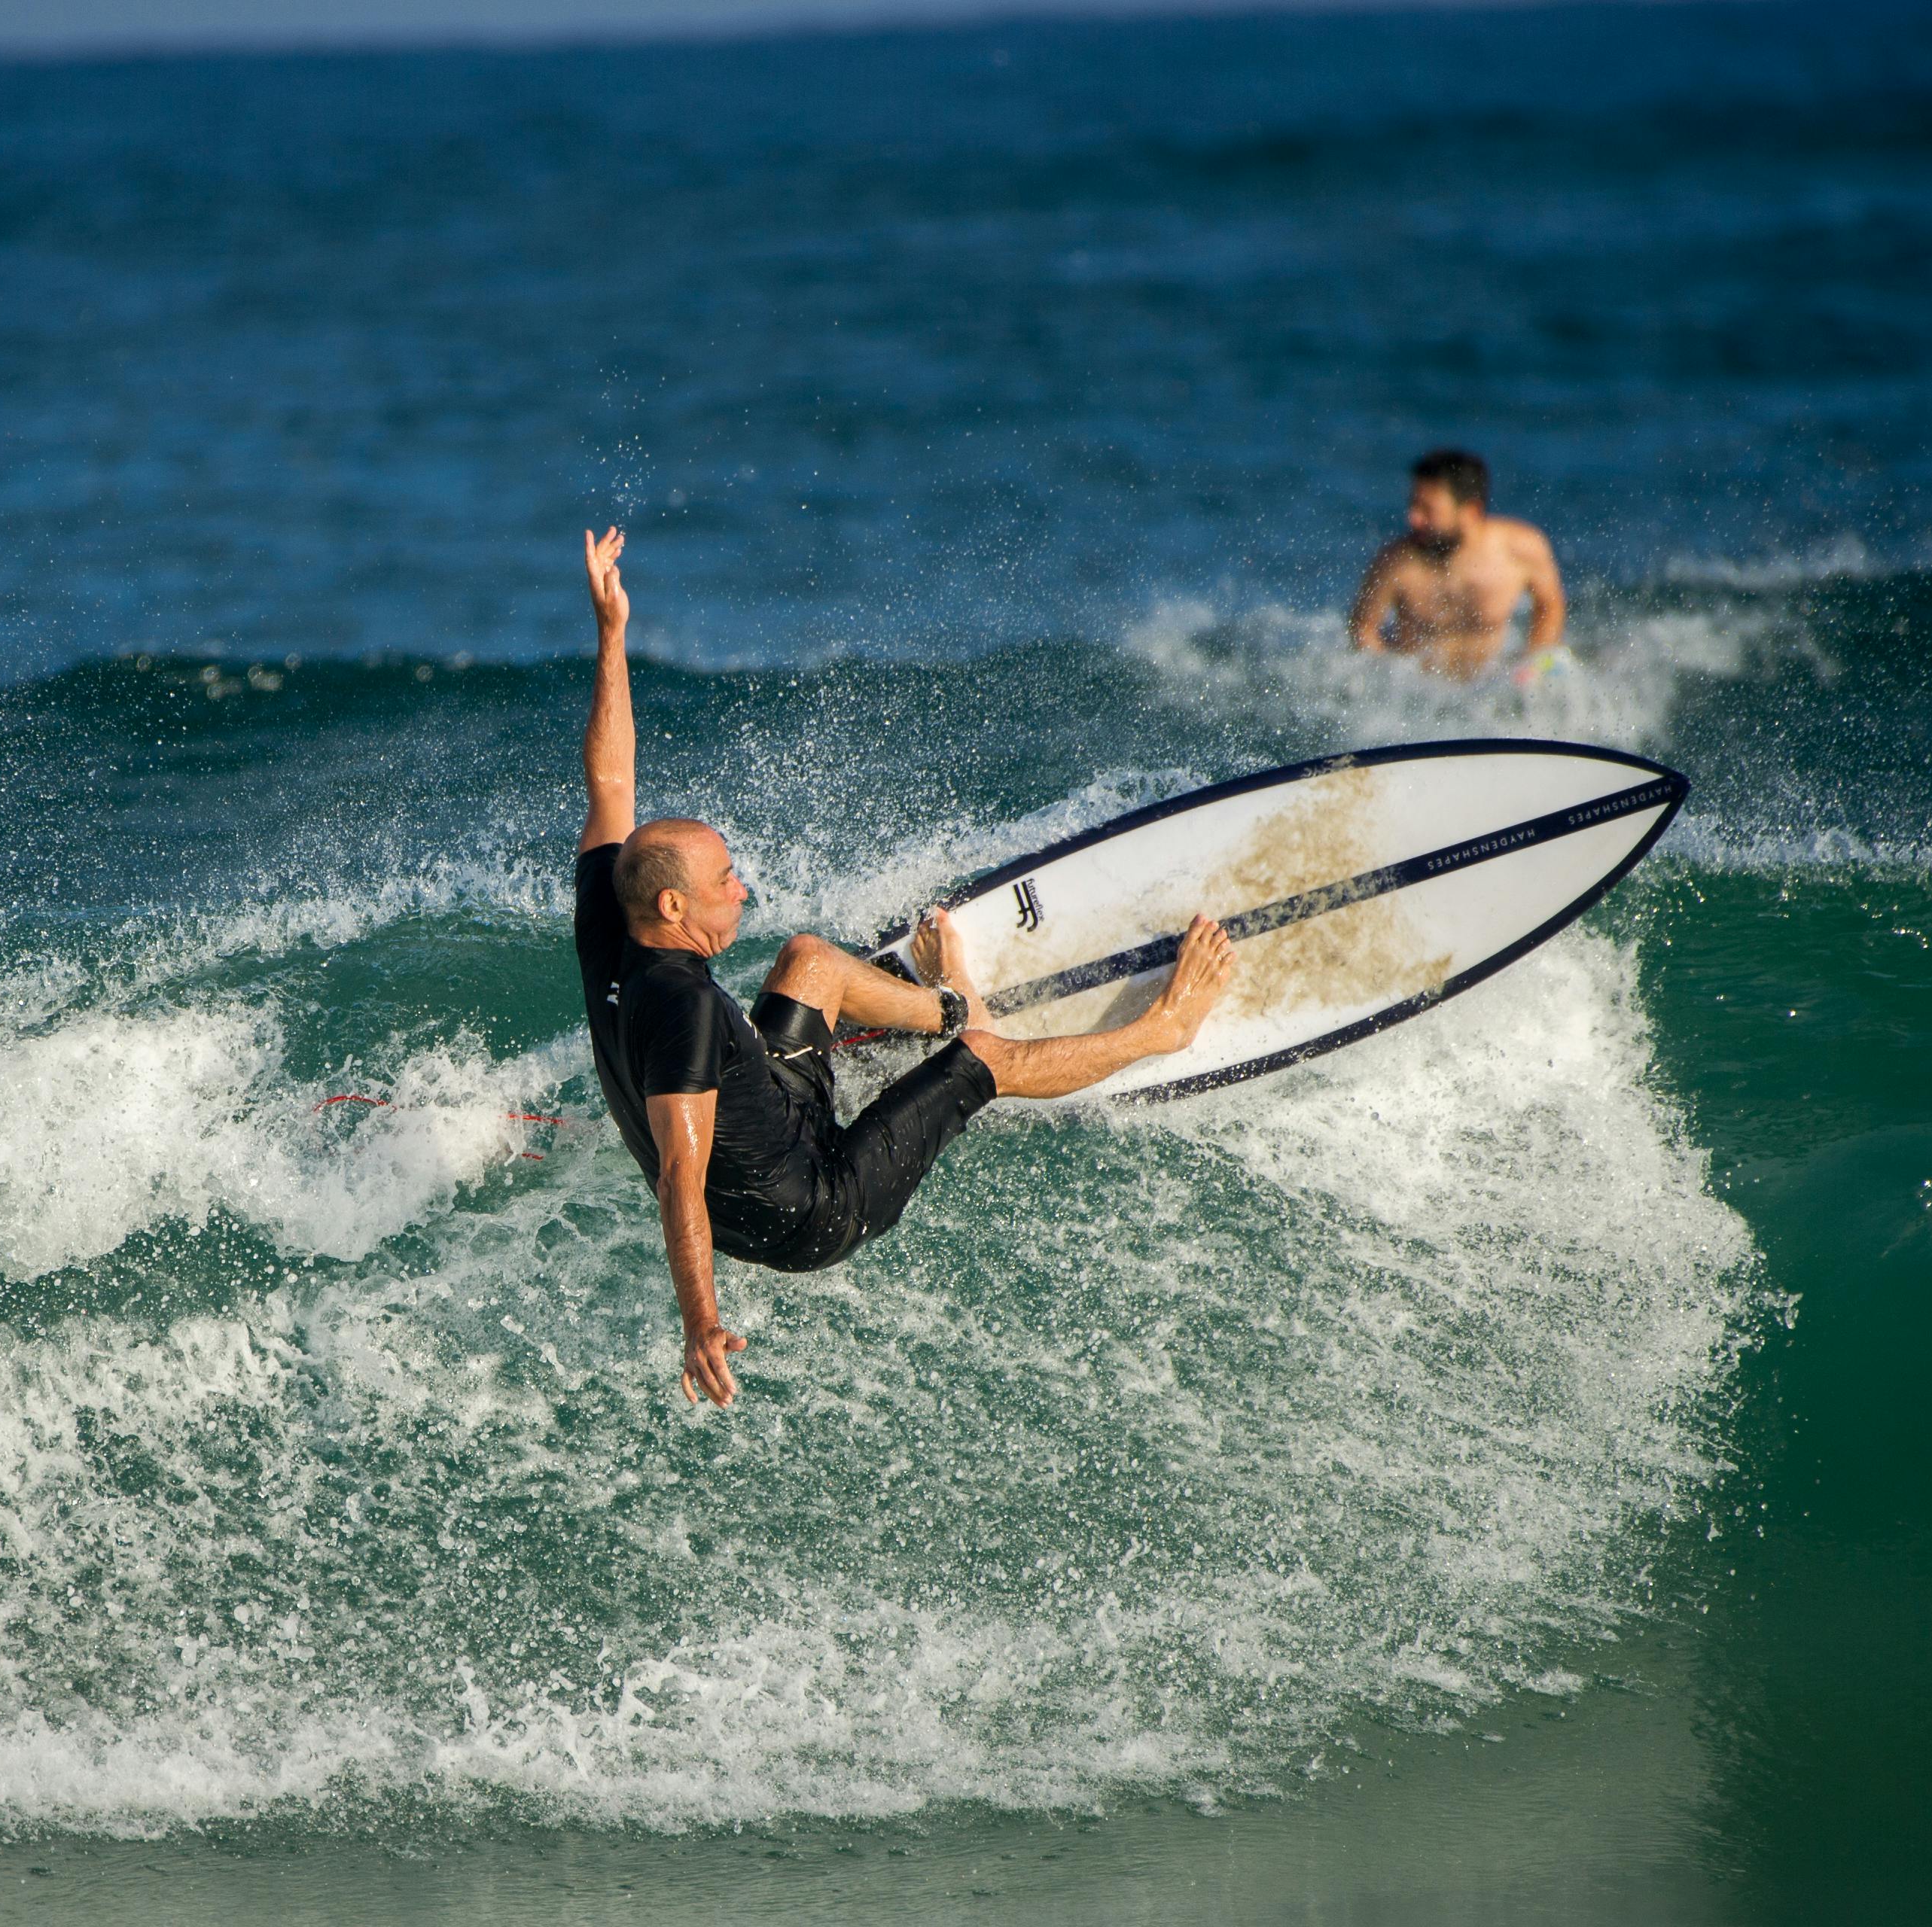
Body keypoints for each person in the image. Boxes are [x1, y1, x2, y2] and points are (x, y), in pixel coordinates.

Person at [571, 528, 1238, 1407]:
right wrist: (700, 1324)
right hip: (812, 1202)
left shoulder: (605, 905)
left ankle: (952, 1008)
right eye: (725, 881)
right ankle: (1161, 1029)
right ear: (671, 908)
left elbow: (610, 782)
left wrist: (612, 633)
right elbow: (678, 1184)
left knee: (808, 959)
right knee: (987, 1066)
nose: (743, 889)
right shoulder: (684, 1011)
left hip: (772, 1108)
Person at [1349, 449, 1568, 682]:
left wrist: (1532, 662)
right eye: (1413, 505)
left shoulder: (1520, 549)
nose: (1413, 519)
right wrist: (1387, 679)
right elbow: (1364, 628)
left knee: (1561, 669)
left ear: (1470, 511)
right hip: (1419, 691)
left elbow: (1550, 604)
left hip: (1492, 684)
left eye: (1427, 510)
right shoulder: (1395, 562)